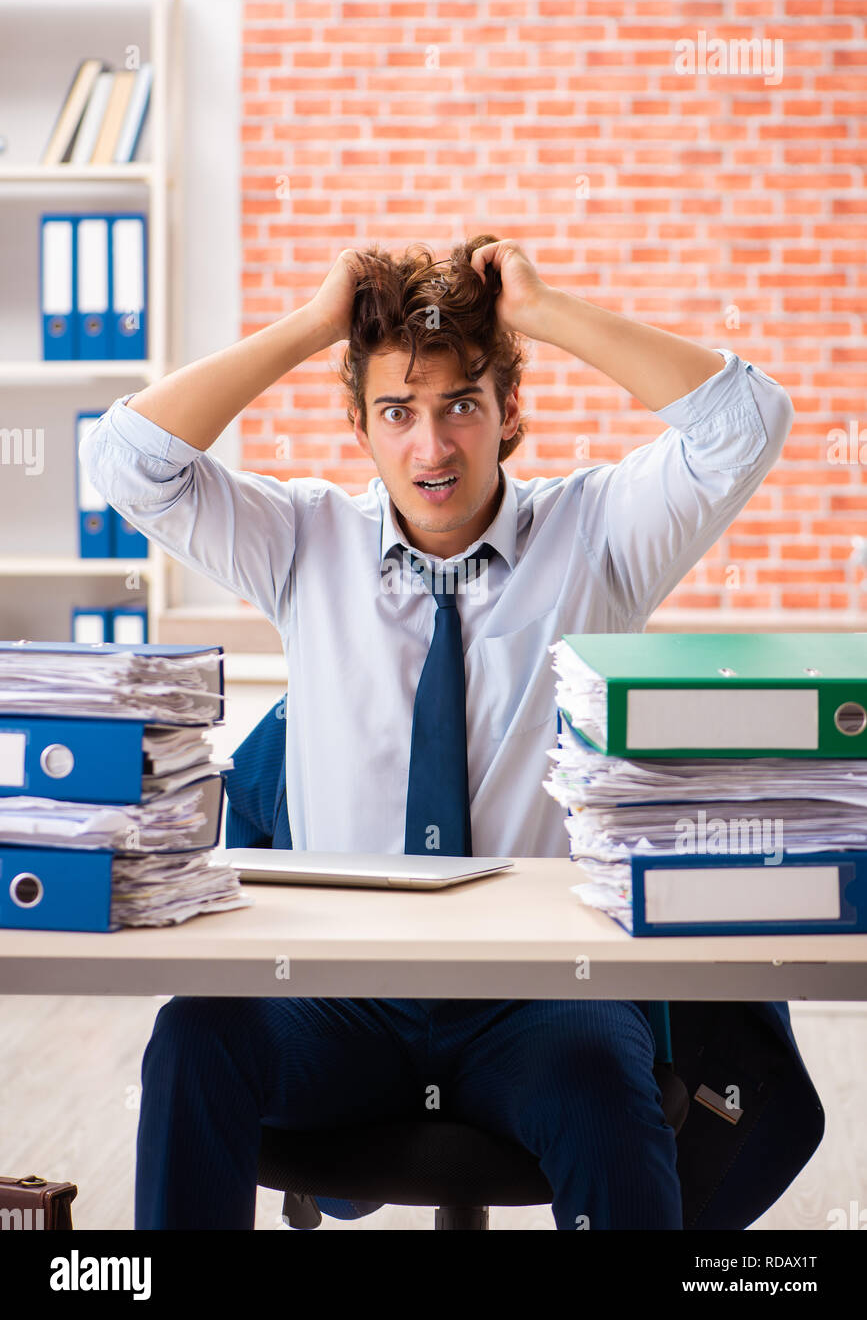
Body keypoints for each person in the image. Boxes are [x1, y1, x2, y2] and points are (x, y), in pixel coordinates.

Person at [79, 235, 798, 1230]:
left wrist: (543, 314)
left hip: (541, 1001)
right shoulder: (301, 541)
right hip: (339, 995)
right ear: (362, 429)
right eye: (397, 411)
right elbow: (124, 460)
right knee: (195, 1042)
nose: (431, 445)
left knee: (604, 1091)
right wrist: (311, 327)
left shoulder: (600, 536)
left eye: (462, 402)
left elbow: (749, 420)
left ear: (510, 414)